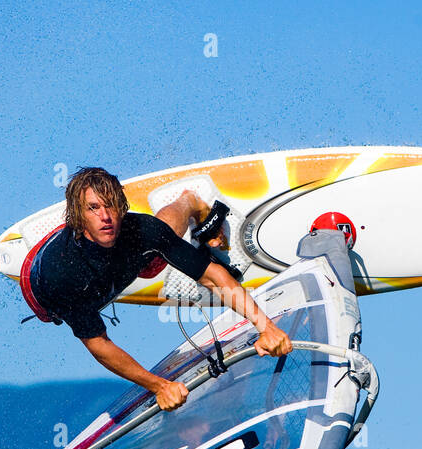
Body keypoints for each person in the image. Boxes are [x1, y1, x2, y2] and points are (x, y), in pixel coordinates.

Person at [24, 167, 292, 411]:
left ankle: (190, 201)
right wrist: (159, 386)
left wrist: (265, 326)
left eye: (111, 206)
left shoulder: (138, 230)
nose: (105, 217)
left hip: (118, 266)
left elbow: (212, 277)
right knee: (63, 307)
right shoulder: (63, 273)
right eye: (93, 208)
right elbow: (99, 344)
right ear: (78, 215)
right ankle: (62, 231)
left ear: (122, 207)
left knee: (156, 250)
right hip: (41, 288)